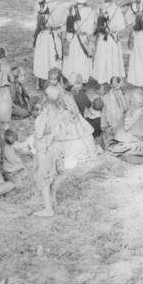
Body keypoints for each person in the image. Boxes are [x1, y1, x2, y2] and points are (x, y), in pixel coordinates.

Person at [31, 83, 98, 217]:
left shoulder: (45, 114)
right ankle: (53, 199)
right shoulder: (62, 113)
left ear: (46, 98)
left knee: (44, 178)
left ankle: (48, 209)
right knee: (52, 175)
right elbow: (66, 126)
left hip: (45, 148)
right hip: (56, 148)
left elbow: (39, 132)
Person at [105, 89, 143, 164]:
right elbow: (119, 131)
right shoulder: (126, 114)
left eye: (135, 99)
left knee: (129, 152)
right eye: (131, 98)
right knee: (108, 139)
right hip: (124, 142)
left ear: (141, 102)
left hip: (136, 144)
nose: (131, 100)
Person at [92, 0, 127, 85]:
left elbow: (95, 24)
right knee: (113, 59)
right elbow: (121, 26)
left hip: (102, 38)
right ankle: (113, 80)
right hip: (112, 38)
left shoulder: (99, 9)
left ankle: (102, 82)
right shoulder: (116, 9)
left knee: (102, 58)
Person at [33, 0, 64, 88]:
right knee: (54, 57)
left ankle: (39, 80)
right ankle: (55, 80)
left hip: (42, 34)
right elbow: (63, 22)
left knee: (41, 57)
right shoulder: (60, 7)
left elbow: (36, 20)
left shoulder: (39, 5)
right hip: (54, 34)